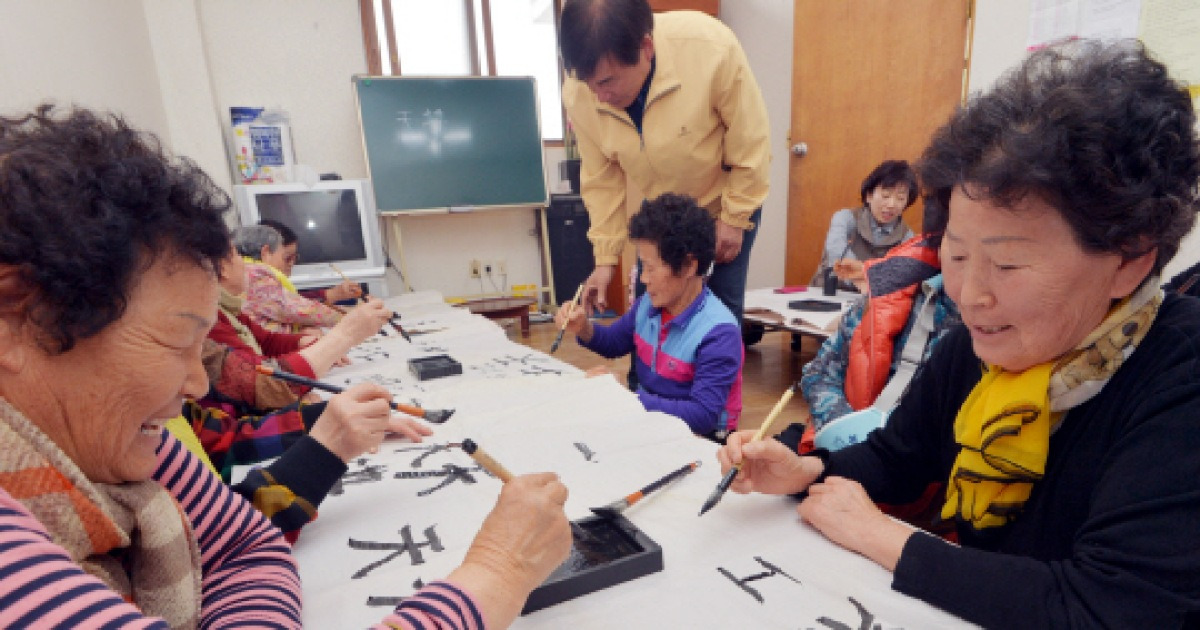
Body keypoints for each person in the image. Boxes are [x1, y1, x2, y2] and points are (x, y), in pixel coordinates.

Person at [0, 104, 571, 628]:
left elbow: (247, 546)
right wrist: (497, 573)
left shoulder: (112, 440)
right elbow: (246, 417)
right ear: (16, 319)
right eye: (175, 342)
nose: (197, 383)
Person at [717, 41, 1200, 627]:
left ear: (1129, 260)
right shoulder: (976, 351)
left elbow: (1105, 607)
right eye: (958, 254)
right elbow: (897, 457)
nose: (969, 295)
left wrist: (883, 538)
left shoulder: (1179, 377)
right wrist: (809, 470)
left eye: (1007, 264)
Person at [559, 0, 770, 327]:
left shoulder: (710, 47)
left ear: (646, 48)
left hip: (724, 205)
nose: (599, 96)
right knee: (649, 318)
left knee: (718, 320)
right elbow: (601, 180)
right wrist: (605, 259)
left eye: (607, 82)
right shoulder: (580, 91)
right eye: (588, 83)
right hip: (661, 213)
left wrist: (735, 218)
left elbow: (751, 142)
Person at [555, 193, 743, 441]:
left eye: (651, 268)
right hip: (652, 421)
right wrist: (582, 327)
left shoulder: (719, 333)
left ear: (689, 266)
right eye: (642, 267)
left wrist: (628, 398)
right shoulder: (649, 305)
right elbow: (613, 342)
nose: (644, 278)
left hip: (700, 439)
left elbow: (702, 415)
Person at [778, 233, 959, 454]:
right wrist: (846, 432)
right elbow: (819, 373)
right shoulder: (890, 290)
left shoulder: (979, 334)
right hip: (848, 445)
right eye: (960, 250)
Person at [205, 246, 387, 416]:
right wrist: (345, 334)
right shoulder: (212, 319)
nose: (291, 263)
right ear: (223, 267)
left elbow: (266, 341)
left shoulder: (227, 308)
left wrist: (305, 343)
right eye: (287, 257)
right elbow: (264, 385)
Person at [811, 160, 918, 293]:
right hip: (830, 294)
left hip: (873, 301)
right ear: (869, 196)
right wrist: (862, 277)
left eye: (900, 199)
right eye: (885, 196)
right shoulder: (845, 218)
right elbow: (836, 252)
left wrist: (868, 280)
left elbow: (900, 275)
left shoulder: (907, 237)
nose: (891, 204)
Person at [237, 221, 362, 333]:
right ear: (266, 253)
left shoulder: (245, 272)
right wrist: (356, 319)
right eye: (286, 257)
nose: (291, 263)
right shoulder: (256, 276)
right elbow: (304, 310)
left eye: (294, 257)